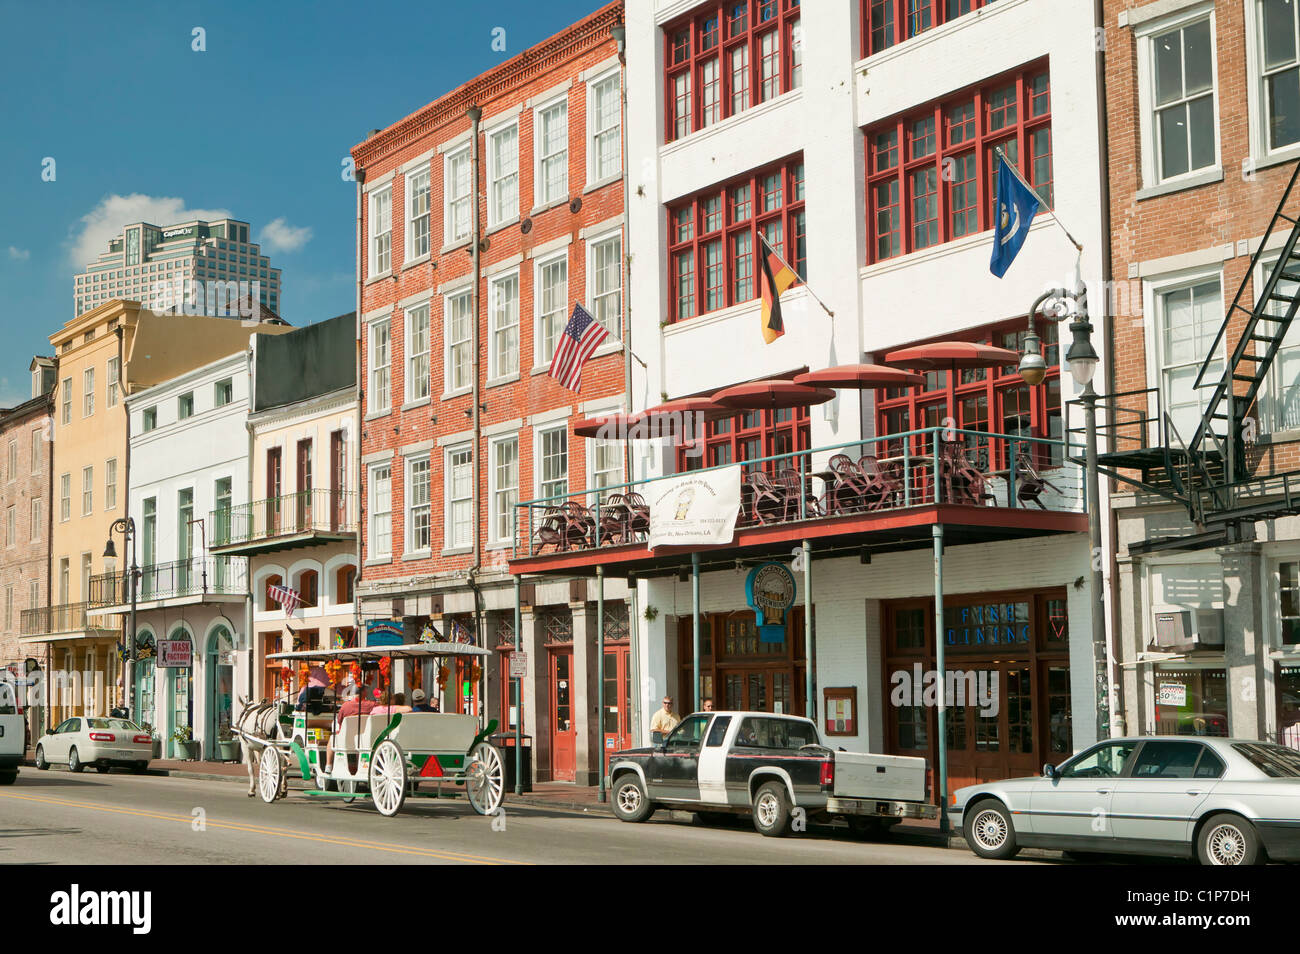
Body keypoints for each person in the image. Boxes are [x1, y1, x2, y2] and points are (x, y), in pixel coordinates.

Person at [326, 684, 375, 772]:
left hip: (346, 739)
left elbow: (339, 721)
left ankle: (328, 765)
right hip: (364, 738)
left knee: (331, 738)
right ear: (363, 692)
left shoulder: (345, 706)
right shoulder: (371, 705)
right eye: (366, 690)